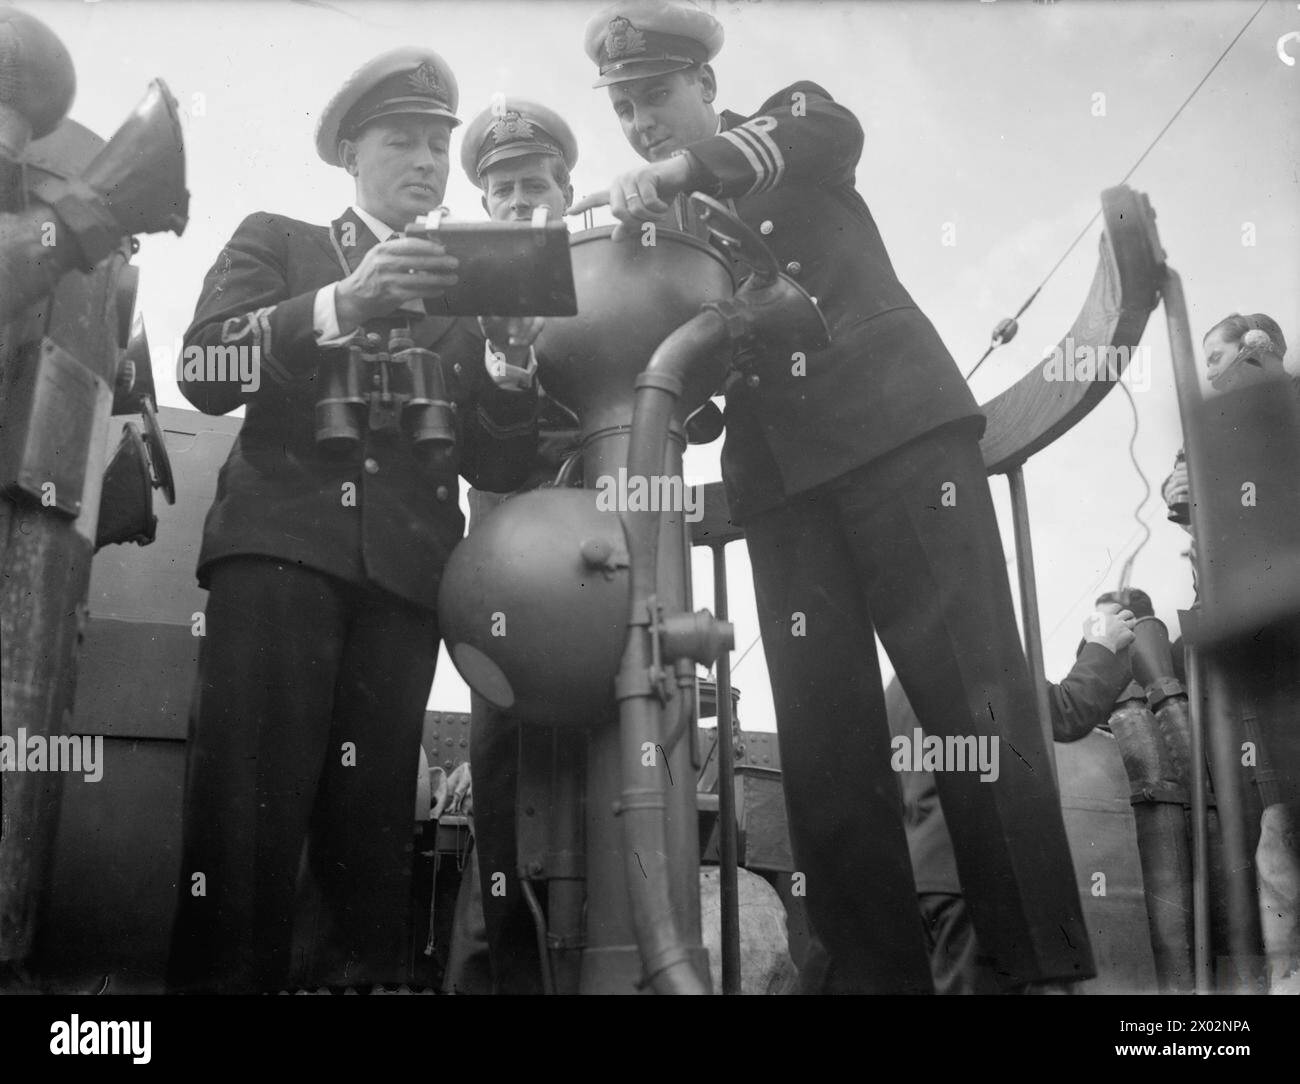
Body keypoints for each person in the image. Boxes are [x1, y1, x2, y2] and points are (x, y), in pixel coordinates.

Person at [574, 0, 1093, 992]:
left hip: (894, 434)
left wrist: (684, 175)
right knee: (825, 741)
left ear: (706, 89)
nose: (641, 125)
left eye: (656, 99)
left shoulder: (785, 125)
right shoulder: (661, 234)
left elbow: (827, 127)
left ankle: (1040, 968)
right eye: (626, 111)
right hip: (781, 486)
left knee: (968, 693)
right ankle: (870, 978)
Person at [167, 48, 540, 994]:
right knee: (242, 826)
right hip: (279, 562)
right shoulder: (282, 241)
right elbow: (205, 374)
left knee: (371, 840)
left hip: (403, 590)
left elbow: (497, 466)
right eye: (401, 140)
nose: (425, 160)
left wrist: (508, 365)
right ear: (349, 153)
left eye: (437, 145)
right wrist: (339, 303)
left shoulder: (469, 298)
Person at [441, 97, 583, 994]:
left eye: (535, 184)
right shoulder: (462, 304)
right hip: (501, 569)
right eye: (503, 190)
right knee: (501, 784)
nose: (520, 202)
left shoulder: (614, 273)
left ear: (568, 191)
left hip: (606, 556)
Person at [892, 602, 1137, 994]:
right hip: (972, 881)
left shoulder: (898, 683)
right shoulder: (974, 659)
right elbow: (1065, 711)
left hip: (918, 879)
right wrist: (1102, 645)